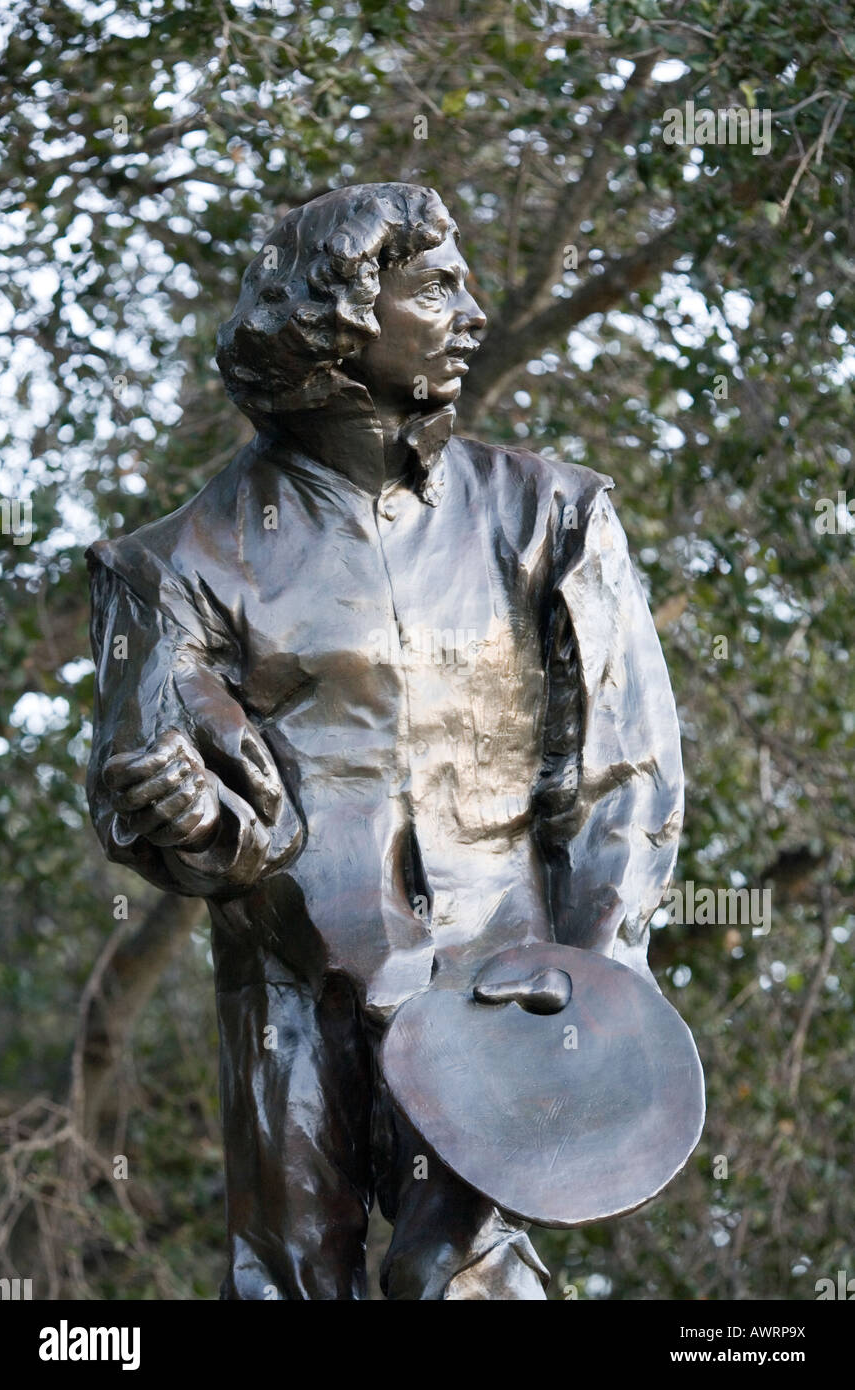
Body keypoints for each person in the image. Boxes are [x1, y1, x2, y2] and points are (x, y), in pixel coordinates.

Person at [86, 183, 683, 1300]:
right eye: (435, 289)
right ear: (342, 318)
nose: (469, 312)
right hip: (288, 1000)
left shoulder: (548, 515)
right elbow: (163, 807)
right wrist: (185, 814)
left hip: (502, 988)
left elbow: (619, 778)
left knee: (463, 1280)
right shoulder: (171, 564)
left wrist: (600, 983)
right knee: (282, 1282)